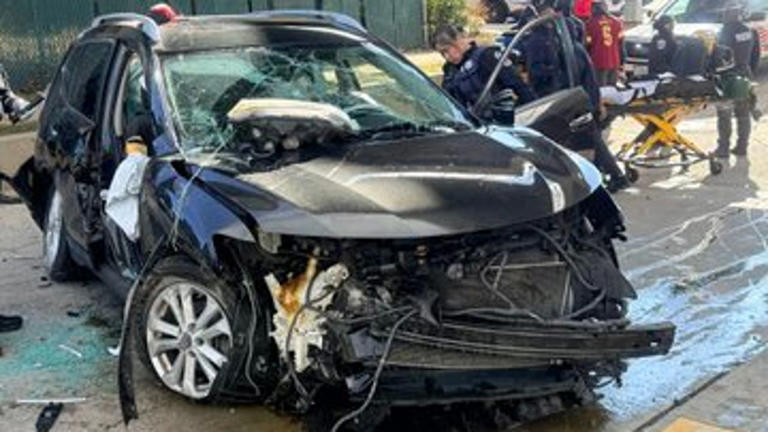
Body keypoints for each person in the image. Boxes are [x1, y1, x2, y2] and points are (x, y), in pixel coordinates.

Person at [435, 25, 535, 112]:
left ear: (458, 40)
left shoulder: (486, 56)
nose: (446, 57)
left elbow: (519, 86)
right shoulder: (450, 71)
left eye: (447, 50)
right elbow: (448, 104)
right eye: (442, 53)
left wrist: (533, 111)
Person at [715, 2, 756, 158]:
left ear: (730, 13)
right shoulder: (747, 30)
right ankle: (742, 146)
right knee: (743, 114)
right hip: (744, 73)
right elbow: (753, 54)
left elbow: (720, 55)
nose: (723, 15)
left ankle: (723, 148)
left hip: (728, 77)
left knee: (724, 114)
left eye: (725, 12)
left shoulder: (726, 31)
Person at [586, 0, 624, 86]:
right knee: (612, 89)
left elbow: (588, 45)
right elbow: (621, 44)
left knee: (601, 89)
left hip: (598, 61)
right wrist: (622, 62)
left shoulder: (590, 24)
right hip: (614, 61)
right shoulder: (617, 22)